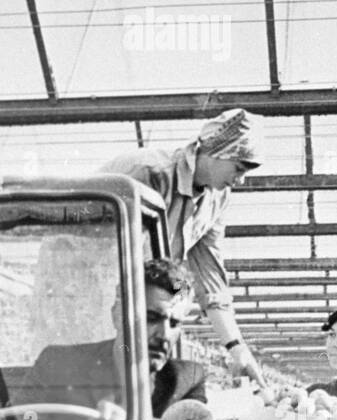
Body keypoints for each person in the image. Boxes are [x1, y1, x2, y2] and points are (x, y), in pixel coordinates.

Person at [103, 108, 266, 388]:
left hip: (143, 305)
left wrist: (237, 348)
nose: (240, 180)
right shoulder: (148, 174)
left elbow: (210, 276)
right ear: (219, 152)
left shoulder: (216, 198)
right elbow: (97, 249)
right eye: (239, 168)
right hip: (100, 294)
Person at [21, 256, 210, 420]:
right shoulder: (58, 365)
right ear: (118, 316)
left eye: (175, 323)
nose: (164, 335)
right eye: (151, 318)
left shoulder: (187, 379)